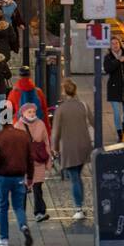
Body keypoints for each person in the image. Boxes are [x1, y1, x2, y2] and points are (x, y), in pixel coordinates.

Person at [50, 80, 93, 220]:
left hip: (69, 148)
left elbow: (55, 133)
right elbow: (94, 123)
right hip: (84, 145)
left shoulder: (60, 110)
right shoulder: (83, 106)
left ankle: (78, 208)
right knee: (78, 176)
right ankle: (80, 204)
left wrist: (54, 149)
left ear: (64, 91)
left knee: (74, 178)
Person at [0, 115, 34, 246]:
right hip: (19, 176)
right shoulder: (23, 136)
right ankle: (23, 225)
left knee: (3, 206)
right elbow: (30, 158)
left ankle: (4, 238)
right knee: (18, 206)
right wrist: (30, 177)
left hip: (4, 176)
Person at [16, 102, 51, 221]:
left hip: (39, 162)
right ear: (23, 113)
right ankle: (21, 213)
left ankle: (39, 212)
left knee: (37, 188)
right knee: (23, 189)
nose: (32, 114)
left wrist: (48, 161)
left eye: (33, 112)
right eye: (29, 112)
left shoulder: (40, 124)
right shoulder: (18, 126)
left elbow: (46, 142)